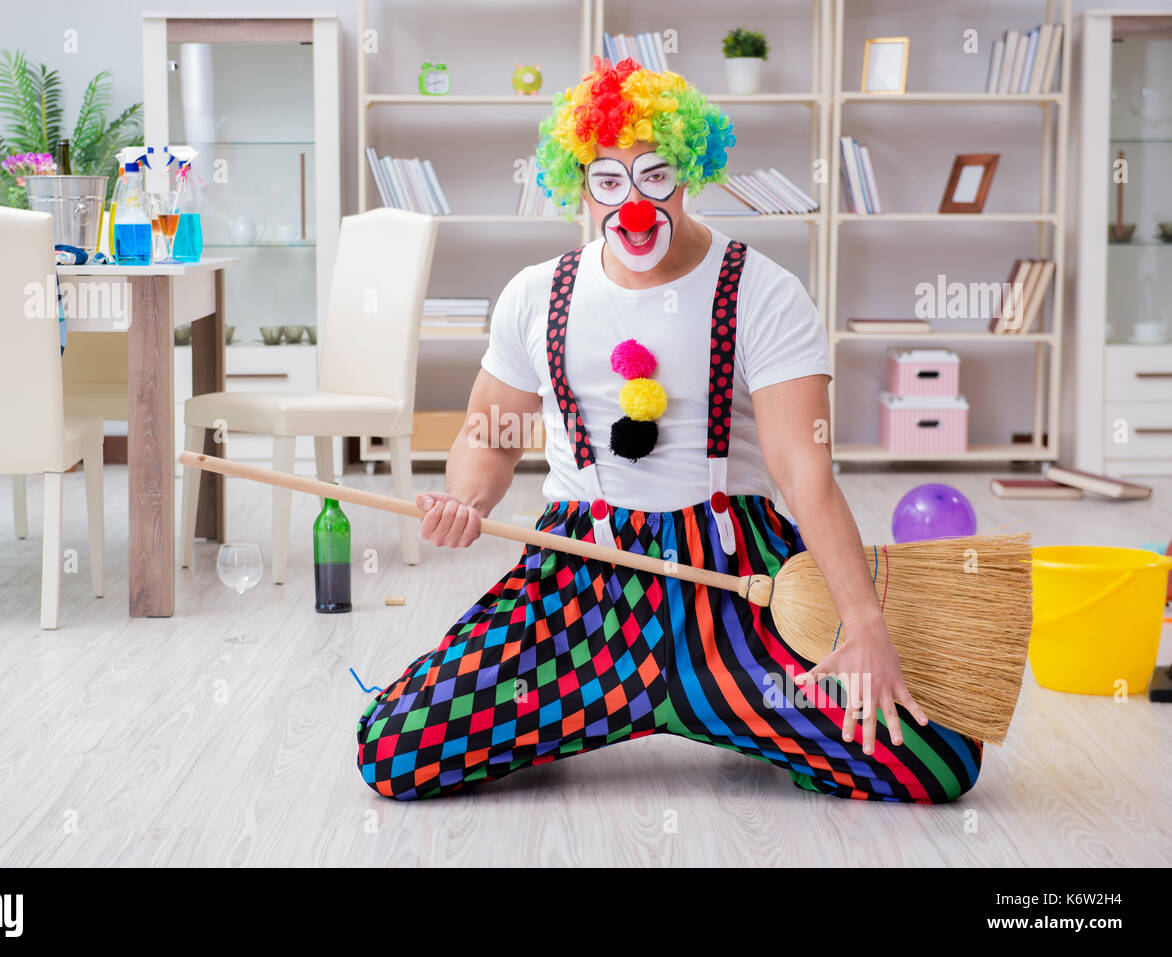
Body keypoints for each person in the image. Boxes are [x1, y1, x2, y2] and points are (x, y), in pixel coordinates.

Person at [357, 58, 981, 803]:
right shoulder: (536, 294)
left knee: (939, 758)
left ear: (687, 172)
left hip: (735, 590)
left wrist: (863, 622)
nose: (634, 204)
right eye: (608, 181)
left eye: (654, 175)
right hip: (576, 584)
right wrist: (465, 499)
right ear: (581, 185)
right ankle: (572, 709)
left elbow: (804, 473)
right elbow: (489, 437)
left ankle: (731, 708)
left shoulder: (762, 291)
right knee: (394, 750)